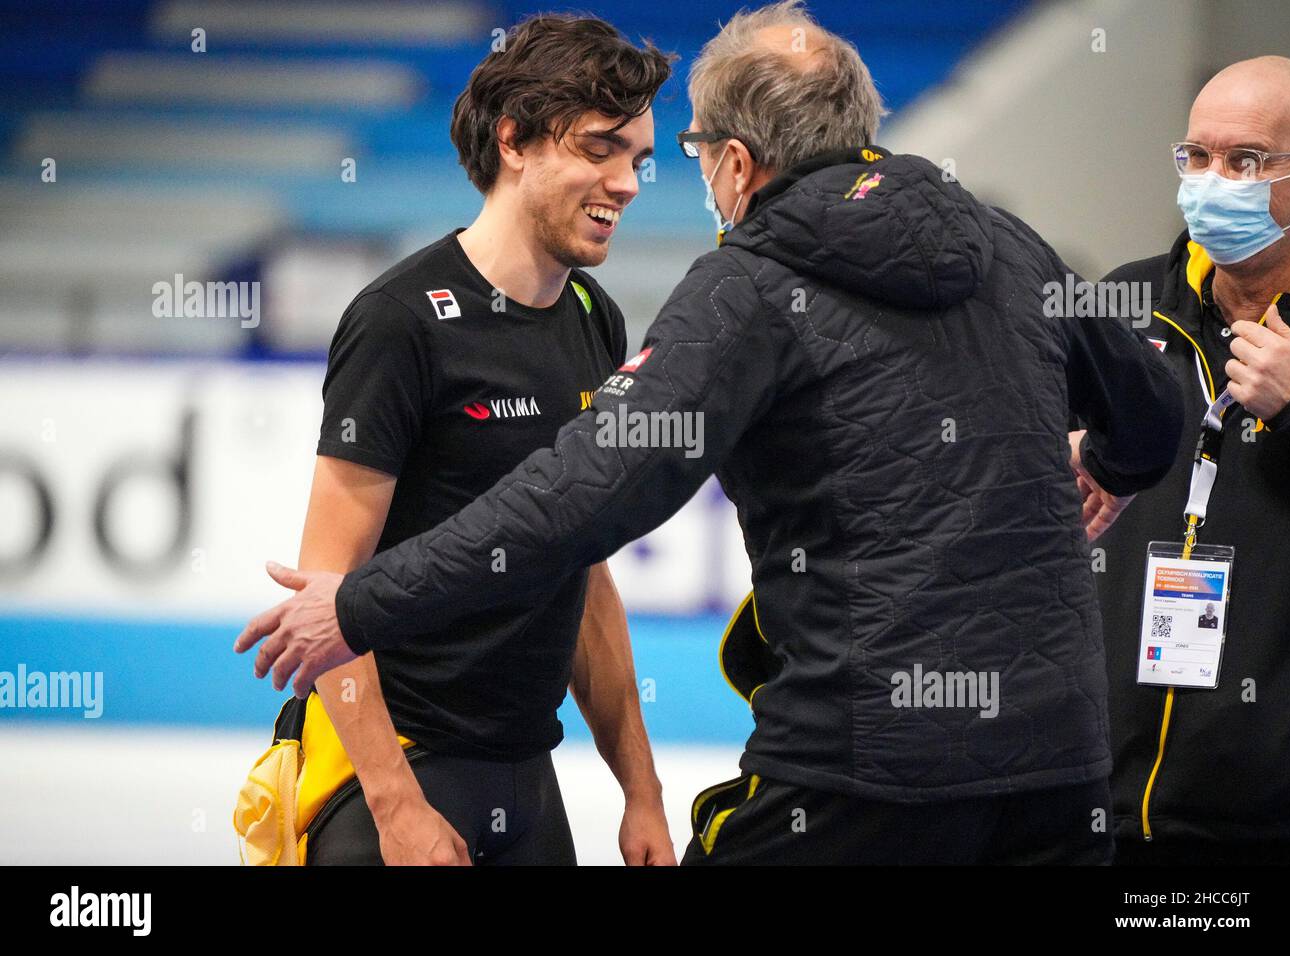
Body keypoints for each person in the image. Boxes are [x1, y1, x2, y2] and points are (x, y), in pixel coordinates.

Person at [236, 0, 1184, 865]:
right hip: (1059, 774)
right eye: (604, 151)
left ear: (736, 163)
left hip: (855, 776)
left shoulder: (744, 287)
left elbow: (585, 498)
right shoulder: (1013, 245)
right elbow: (1156, 409)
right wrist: (1109, 461)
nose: (639, 183)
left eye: (664, 158)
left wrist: (359, 606)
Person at [242, 13, 675, 866]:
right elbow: (328, 593)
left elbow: (585, 577)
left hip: (527, 775)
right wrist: (394, 806)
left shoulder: (596, 319)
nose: (626, 182)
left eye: (640, 160)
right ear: (514, 142)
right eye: (600, 149)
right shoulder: (400, 320)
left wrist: (643, 794)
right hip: (392, 775)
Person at [1079, 56, 1290, 866]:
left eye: (1245, 161)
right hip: (1100, 812)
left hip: (1269, 827)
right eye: (1196, 157)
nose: (1213, 181)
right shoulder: (1120, 308)